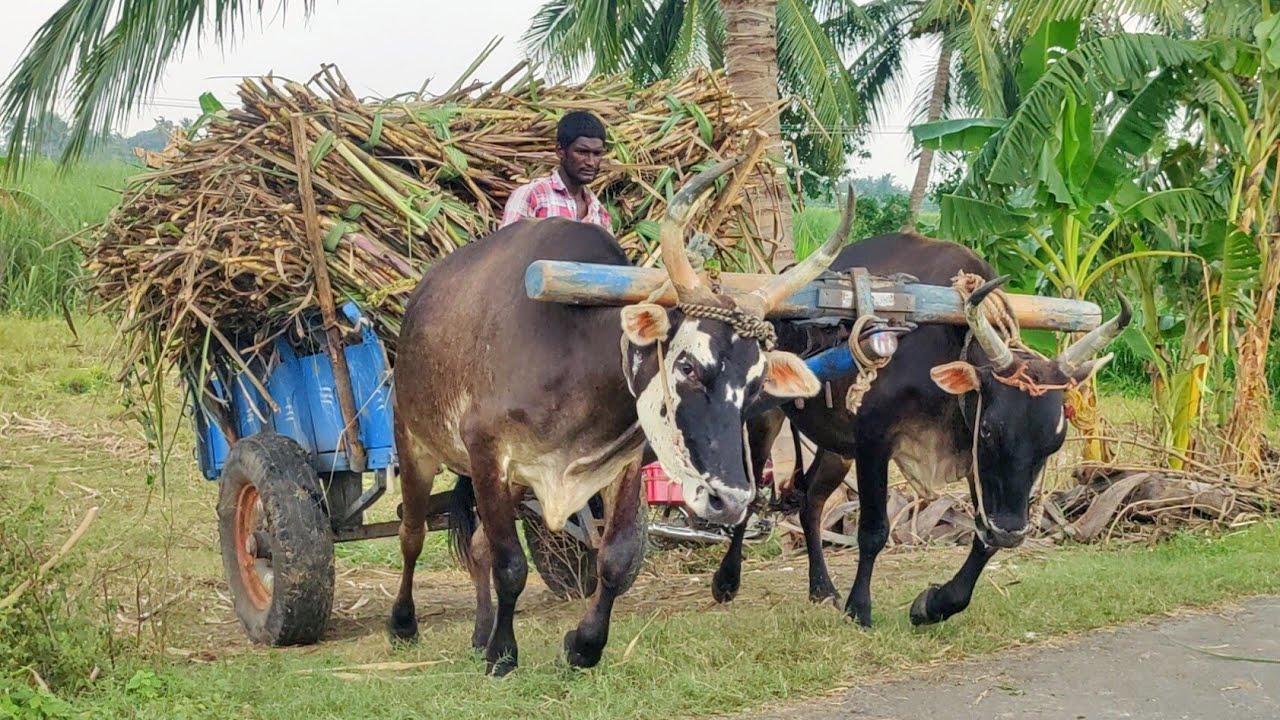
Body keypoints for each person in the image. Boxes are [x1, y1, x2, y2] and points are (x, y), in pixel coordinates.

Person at [501, 110, 611, 230]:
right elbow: (507, 246)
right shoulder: (533, 196)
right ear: (560, 151)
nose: (590, 162)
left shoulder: (599, 213)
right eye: (582, 152)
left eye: (597, 153)